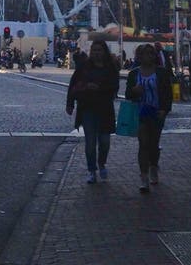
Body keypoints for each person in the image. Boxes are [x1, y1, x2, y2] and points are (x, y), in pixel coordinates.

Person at [65, 40, 119, 183]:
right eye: (94, 50)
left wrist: (99, 88)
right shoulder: (84, 67)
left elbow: (115, 86)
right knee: (90, 142)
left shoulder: (110, 68)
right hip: (88, 108)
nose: (96, 53)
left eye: (99, 50)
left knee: (105, 141)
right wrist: (70, 103)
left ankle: (101, 163)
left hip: (105, 109)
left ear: (104, 51)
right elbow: (73, 84)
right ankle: (92, 170)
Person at [125, 43, 173, 191]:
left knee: (154, 144)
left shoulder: (161, 73)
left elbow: (167, 93)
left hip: (156, 112)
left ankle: (153, 166)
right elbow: (128, 94)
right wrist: (134, 90)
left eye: (151, 54)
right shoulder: (134, 74)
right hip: (140, 113)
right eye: (145, 54)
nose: (149, 56)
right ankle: (144, 176)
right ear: (140, 56)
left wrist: (164, 110)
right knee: (143, 144)